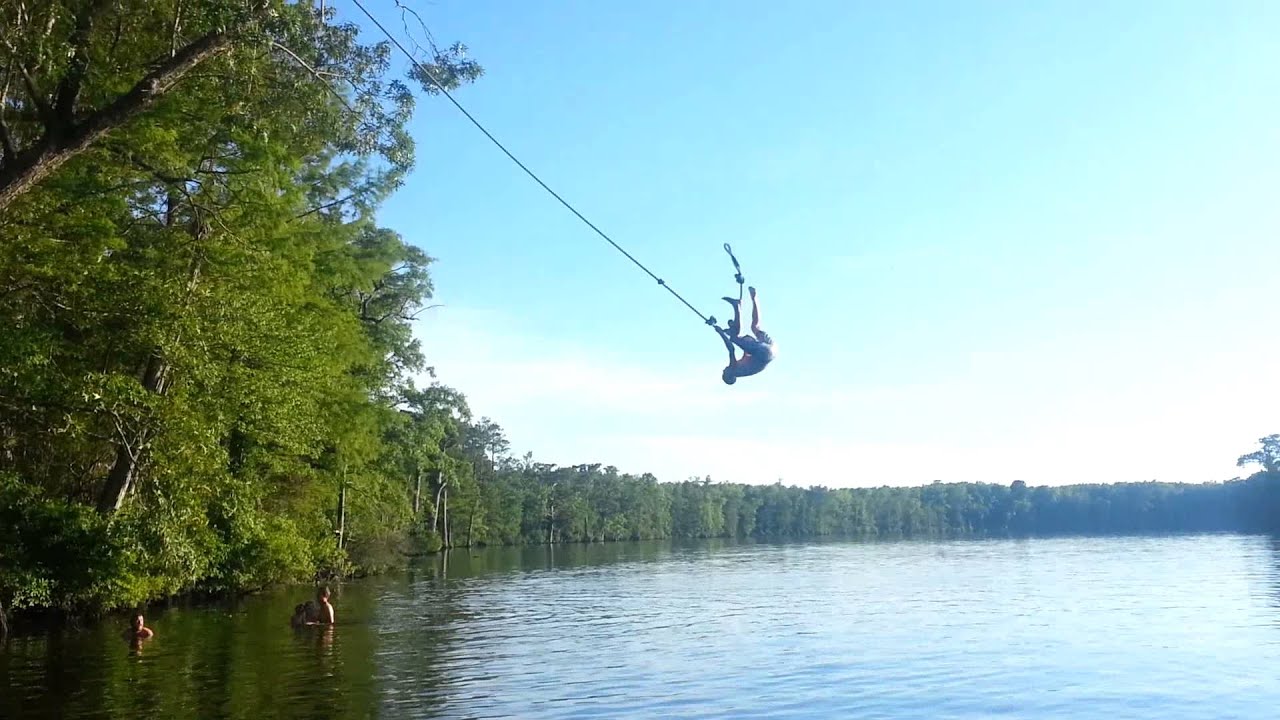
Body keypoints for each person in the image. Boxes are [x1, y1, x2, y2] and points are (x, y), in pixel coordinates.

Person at [716, 285, 775, 384]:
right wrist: (721, 333)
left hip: (771, 351)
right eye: (724, 373)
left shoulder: (746, 369)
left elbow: (747, 343)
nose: (723, 370)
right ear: (729, 375)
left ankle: (754, 297)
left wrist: (731, 331)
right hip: (763, 353)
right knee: (734, 338)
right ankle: (737, 306)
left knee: (755, 327)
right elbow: (731, 349)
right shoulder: (734, 370)